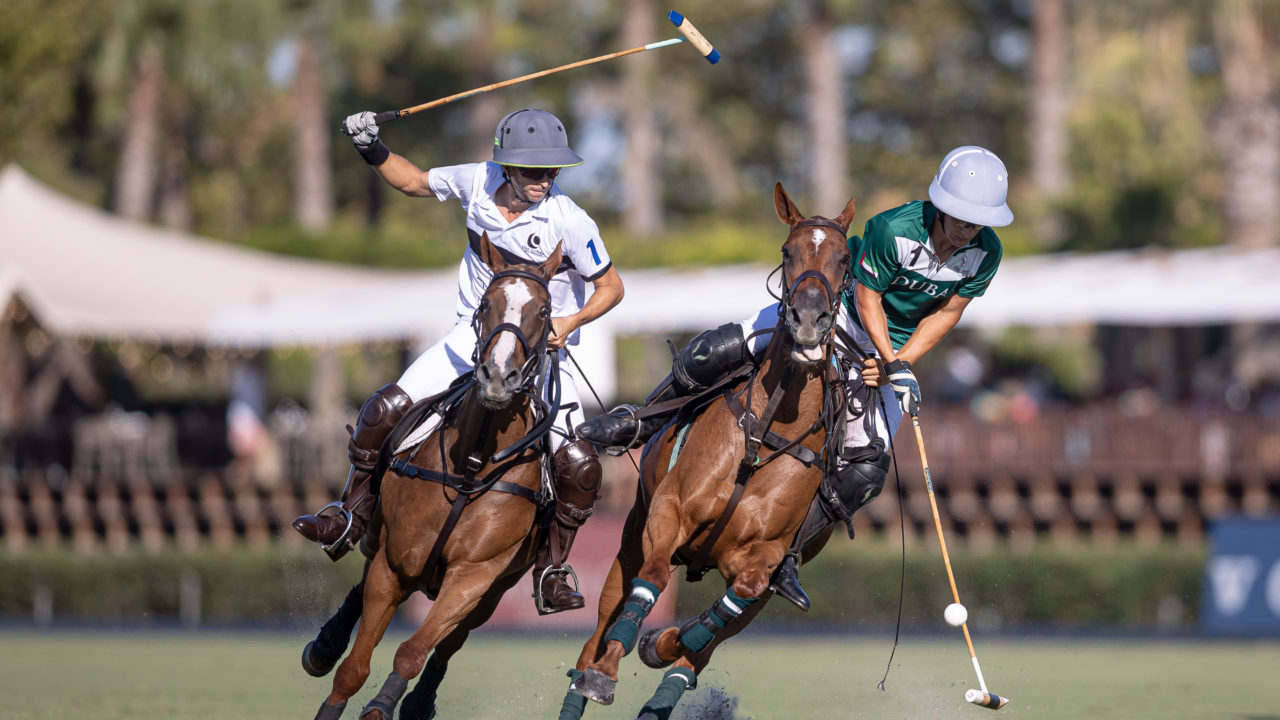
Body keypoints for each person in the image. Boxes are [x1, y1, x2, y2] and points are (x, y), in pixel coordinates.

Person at [577, 145, 1011, 609]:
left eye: (978, 222)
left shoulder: (985, 253)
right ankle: (639, 420)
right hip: (838, 313)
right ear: (940, 206)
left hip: (891, 350)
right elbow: (867, 301)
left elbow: (946, 314)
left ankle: (786, 555)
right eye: (962, 218)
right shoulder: (893, 229)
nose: (969, 230)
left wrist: (896, 365)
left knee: (866, 470)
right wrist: (891, 360)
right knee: (713, 350)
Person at [293, 108, 625, 615]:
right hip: (467, 342)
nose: (546, 180)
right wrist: (369, 146)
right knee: (382, 411)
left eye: (553, 170)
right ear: (507, 167)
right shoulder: (476, 180)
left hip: (540, 356)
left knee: (579, 467)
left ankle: (552, 569)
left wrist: (570, 322)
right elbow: (411, 182)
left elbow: (612, 286)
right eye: (535, 170)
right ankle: (351, 514)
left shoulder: (570, 220)